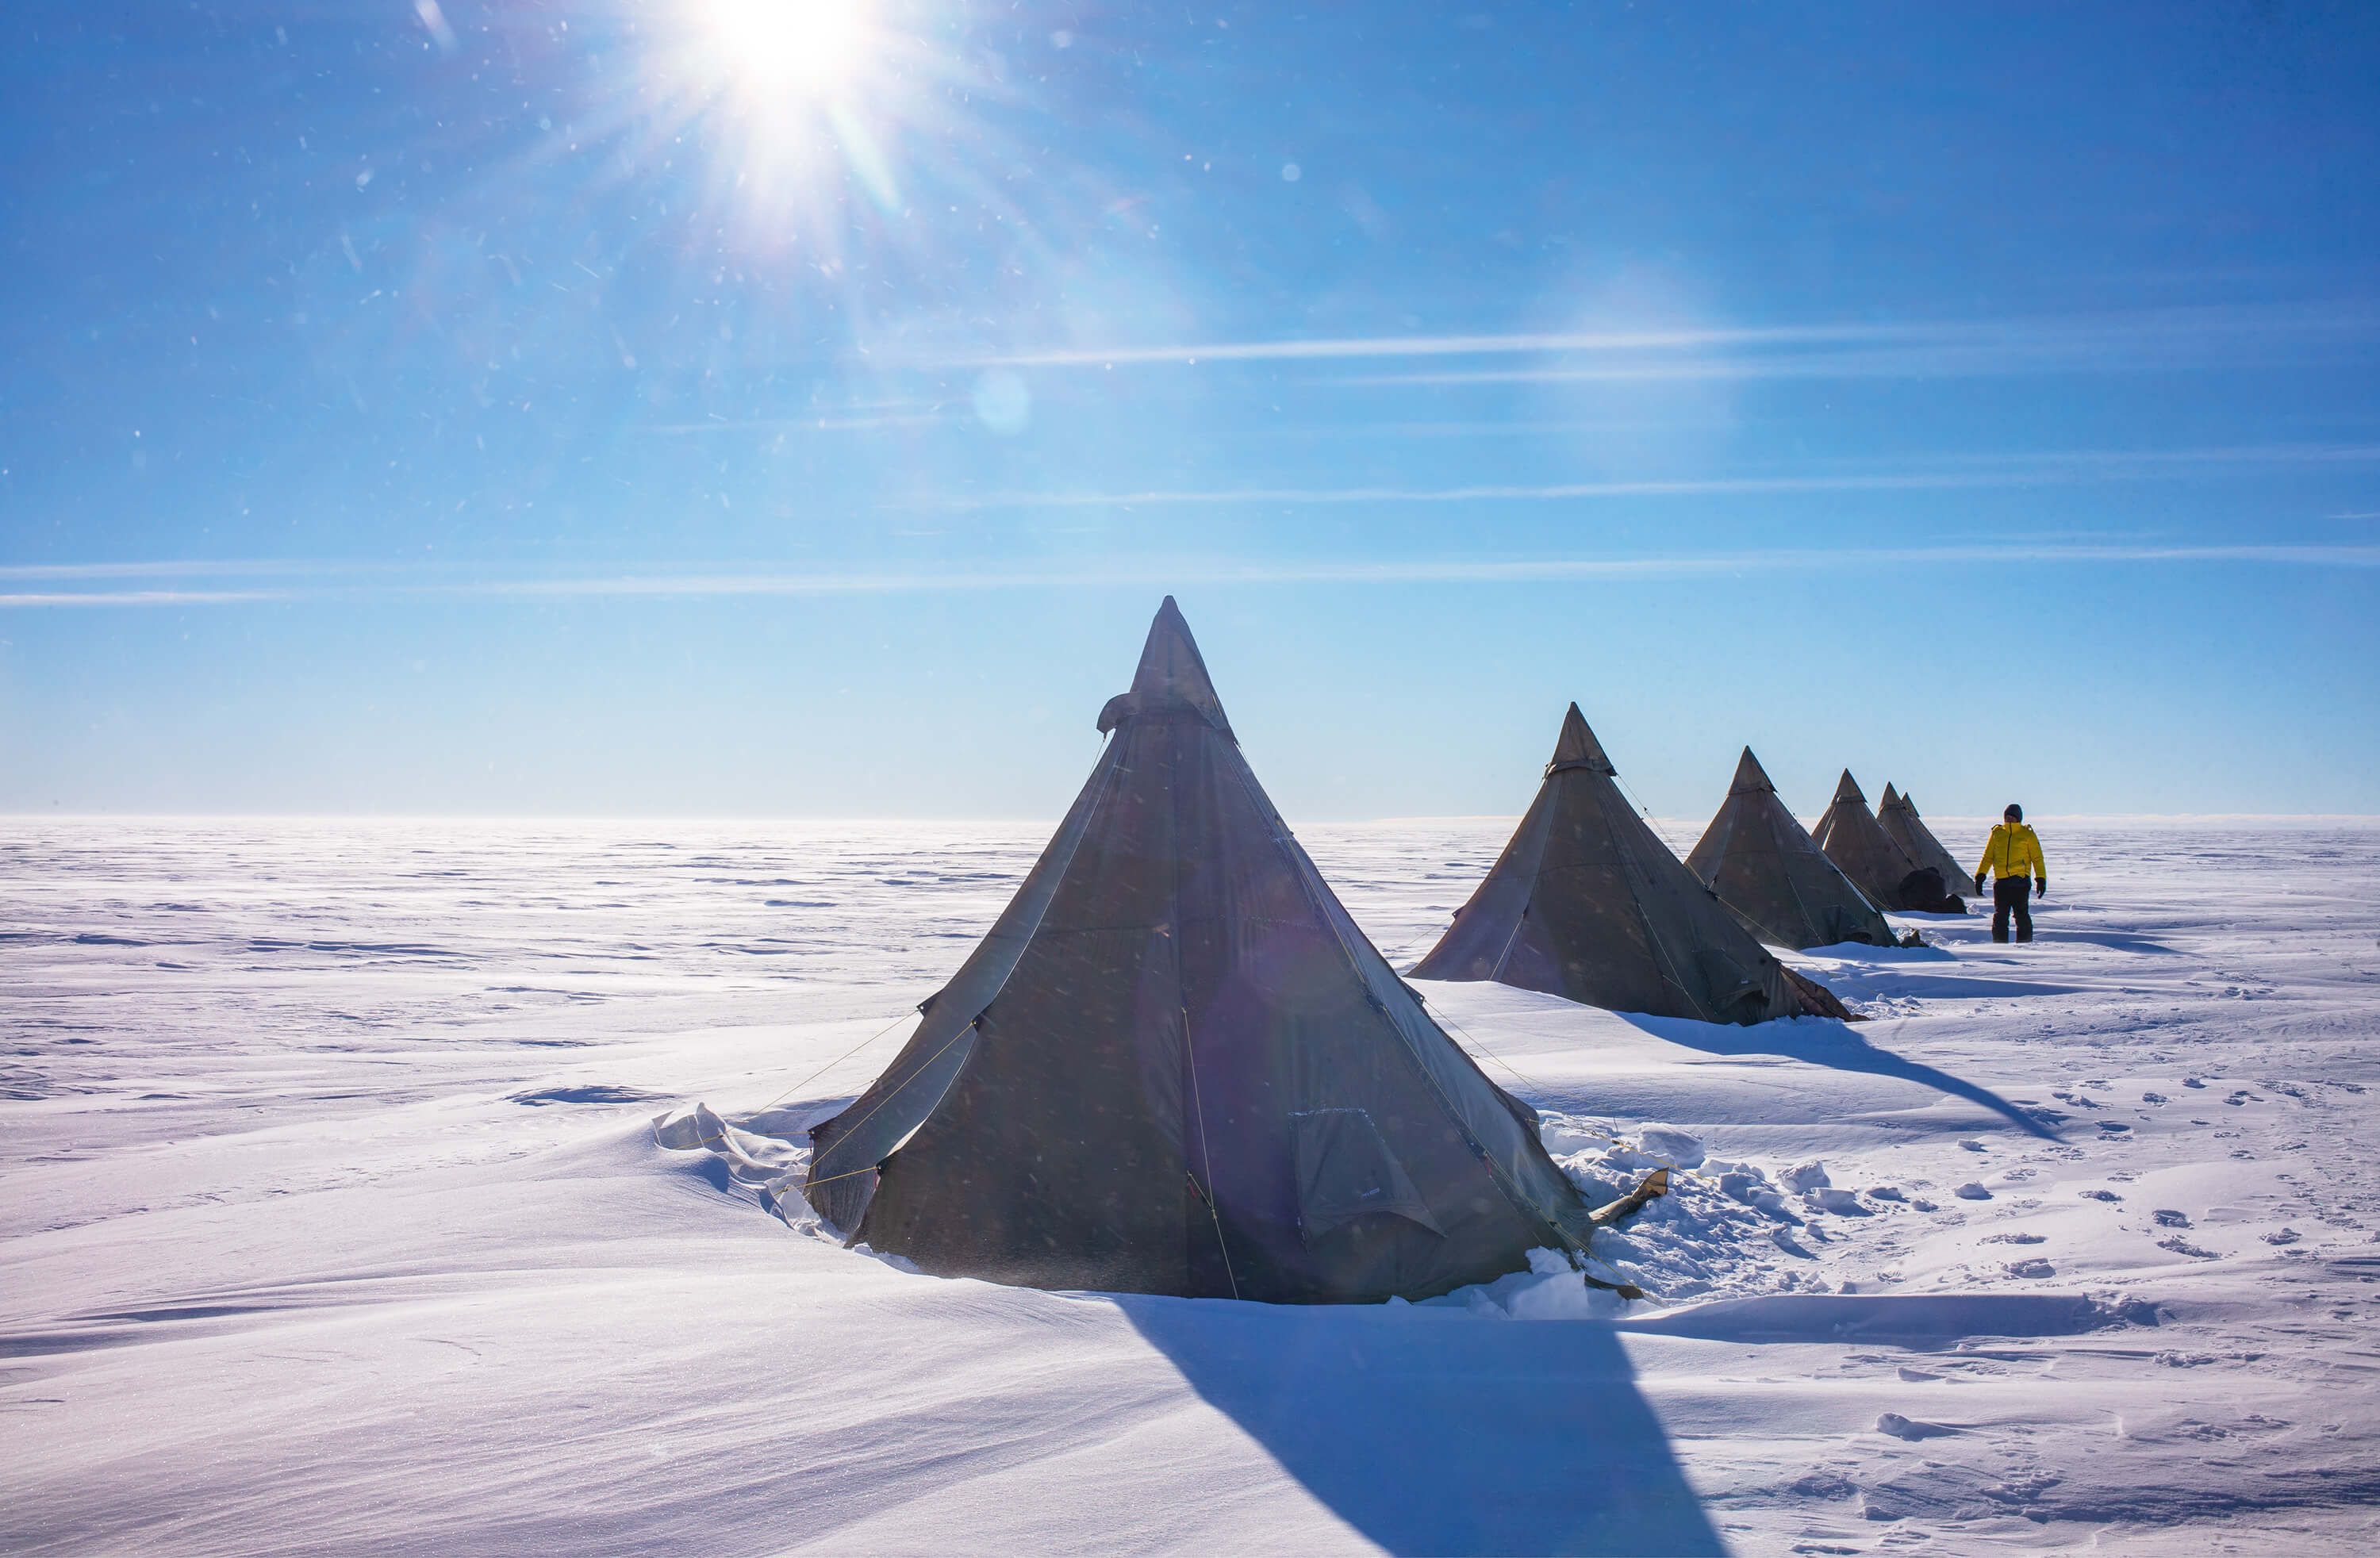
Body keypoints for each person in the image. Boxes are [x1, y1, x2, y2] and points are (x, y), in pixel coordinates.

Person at [1974, 803, 2046, 943]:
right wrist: (1980, 876)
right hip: (2001, 882)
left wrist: (2041, 879)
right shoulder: (1997, 833)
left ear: (2018, 818)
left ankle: (2025, 946)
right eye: (2007, 817)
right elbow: (1988, 857)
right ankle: (2000, 946)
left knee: (2021, 916)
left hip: (2020, 882)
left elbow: (2037, 859)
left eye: (2012, 817)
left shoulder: (2027, 835)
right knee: (2000, 916)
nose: (2009, 819)